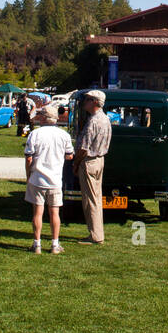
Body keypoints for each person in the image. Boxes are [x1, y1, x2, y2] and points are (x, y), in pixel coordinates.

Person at [24, 105, 73, 254]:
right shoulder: (64, 135)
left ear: (43, 118)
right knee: (54, 213)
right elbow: (70, 155)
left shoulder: (35, 134)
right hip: (55, 180)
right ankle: (54, 244)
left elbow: (28, 158)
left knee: (37, 212)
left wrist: (28, 176)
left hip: (37, 178)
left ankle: (37, 243)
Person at [73, 89, 112, 245]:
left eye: (88, 99)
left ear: (95, 102)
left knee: (90, 200)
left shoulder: (94, 121)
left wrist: (76, 163)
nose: (85, 102)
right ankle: (97, 233)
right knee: (95, 198)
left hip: (89, 161)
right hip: (99, 160)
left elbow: (84, 147)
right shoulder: (105, 119)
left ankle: (95, 235)